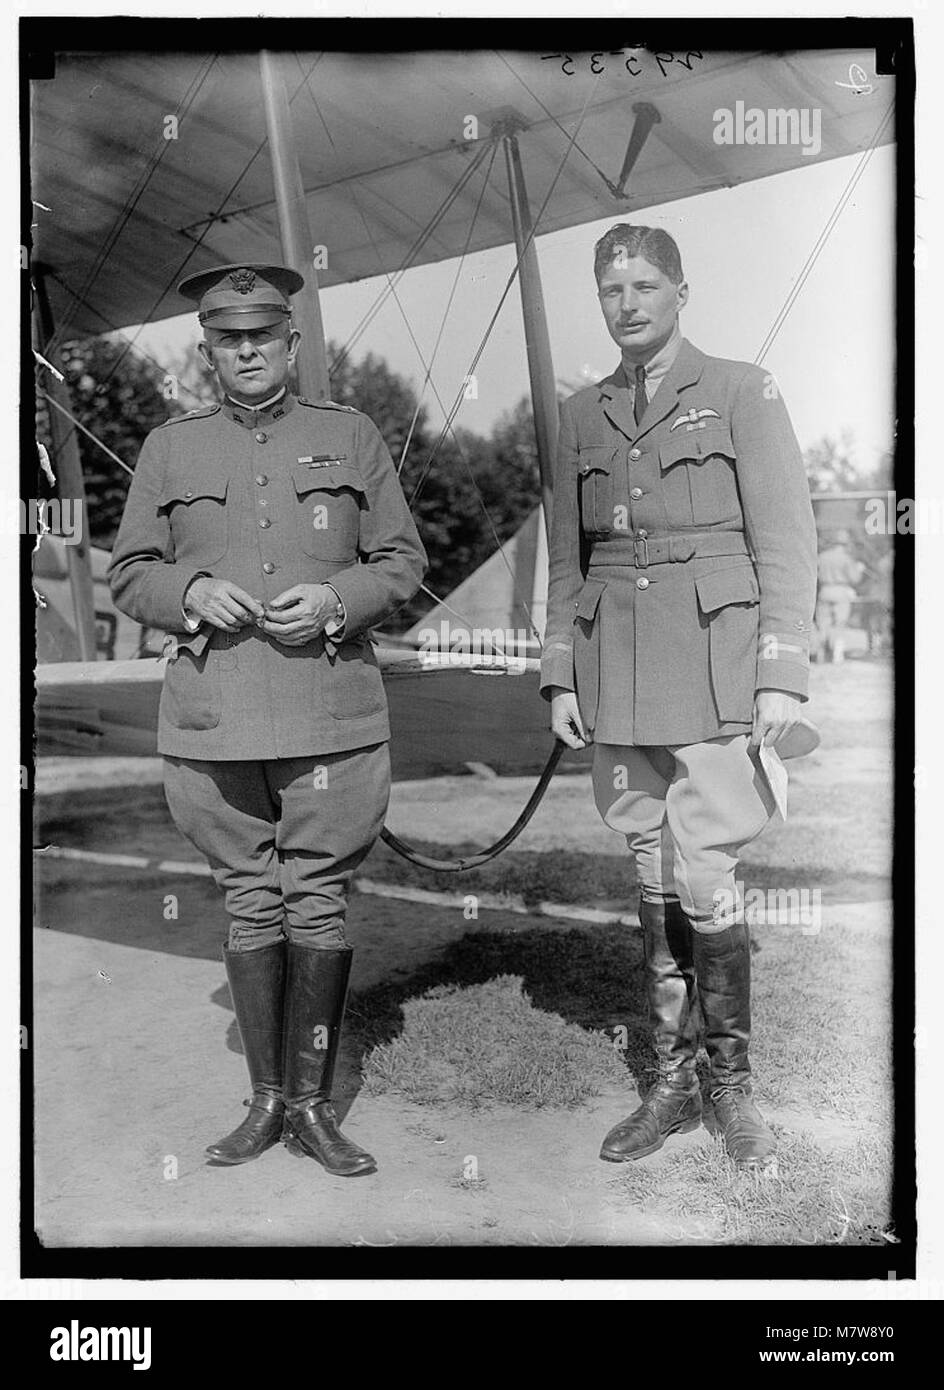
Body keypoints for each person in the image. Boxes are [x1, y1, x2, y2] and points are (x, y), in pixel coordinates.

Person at [108, 263, 426, 1176]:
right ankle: (267, 1104)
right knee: (249, 899)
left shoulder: (350, 433)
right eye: (227, 341)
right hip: (216, 717)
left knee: (317, 898)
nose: (247, 353)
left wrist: (335, 598)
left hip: (330, 713)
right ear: (208, 353)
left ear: (292, 343)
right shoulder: (171, 448)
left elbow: (402, 560)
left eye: (263, 337)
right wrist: (191, 589)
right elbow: (132, 571)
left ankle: (317, 1110)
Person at [541, 225, 817, 1173]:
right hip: (614, 665)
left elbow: (786, 537)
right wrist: (557, 671)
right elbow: (565, 560)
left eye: (646, 285)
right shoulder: (582, 412)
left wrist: (780, 668)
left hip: (713, 660)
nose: (628, 303)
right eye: (612, 288)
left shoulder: (742, 389)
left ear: (681, 292)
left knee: (708, 876)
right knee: (650, 870)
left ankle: (730, 1091)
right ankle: (669, 1082)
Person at [815, 529, 865, 663]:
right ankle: (837, 655)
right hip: (841, 592)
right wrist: (859, 569)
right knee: (839, 624)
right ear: (846, 543)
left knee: (822, 624)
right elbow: (855, 579)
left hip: (825, 591)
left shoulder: (822, 556)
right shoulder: (847, 559)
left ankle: (820, 654)